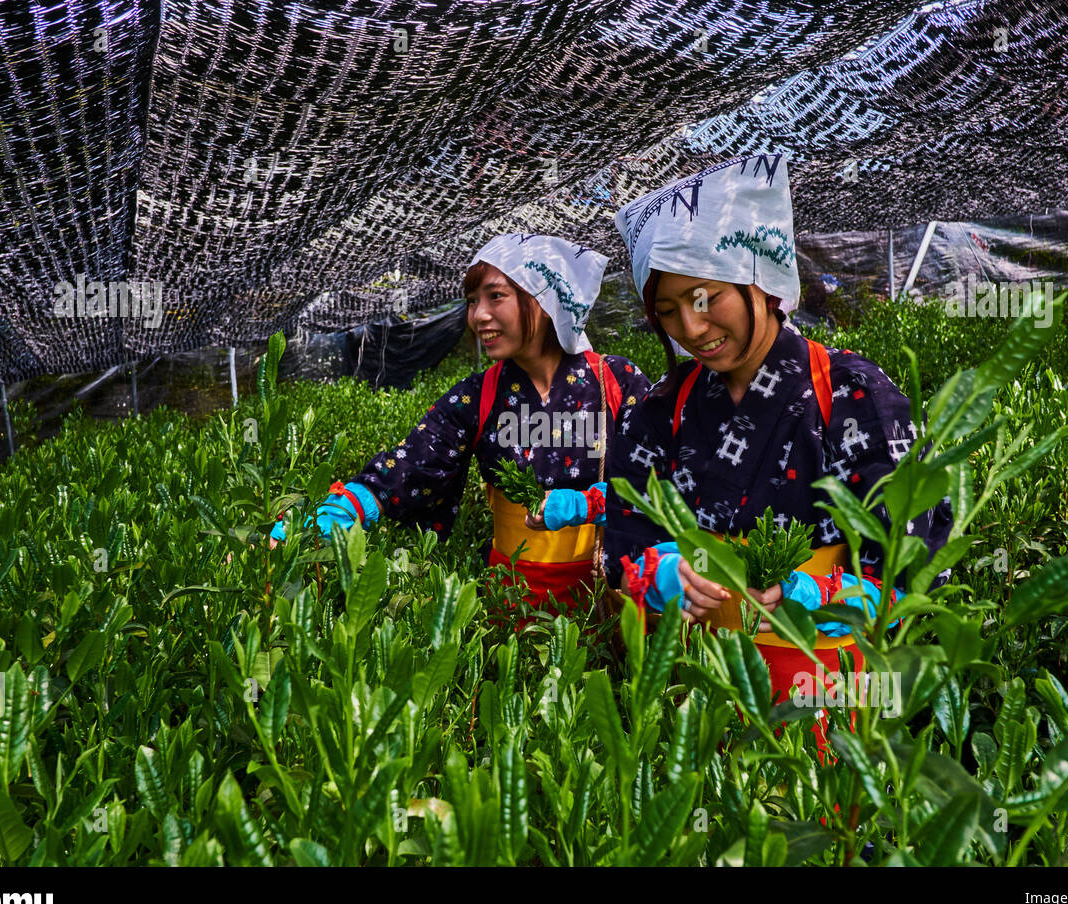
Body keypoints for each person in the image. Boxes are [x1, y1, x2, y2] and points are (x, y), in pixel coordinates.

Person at [604, 154, 954, 751]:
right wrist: (656, 574)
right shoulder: (661, 412)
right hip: (699, 699)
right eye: (667, 311)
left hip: (823, 695)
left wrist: (831, 595)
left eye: (706, 297)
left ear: (761, 280)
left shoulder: (852, 395)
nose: (690, 328)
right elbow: (625, 536)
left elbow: (914, 564)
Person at [271, 233, 652, 611]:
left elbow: (663, 481)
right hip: (514, 598)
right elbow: (411, 466)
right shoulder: (479, 394)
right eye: (472, 301)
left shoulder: (616, 381)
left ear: (545, 296)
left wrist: (589, 504)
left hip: (607, 597)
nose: (477, 316)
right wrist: (332, 515)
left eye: (495, 296)